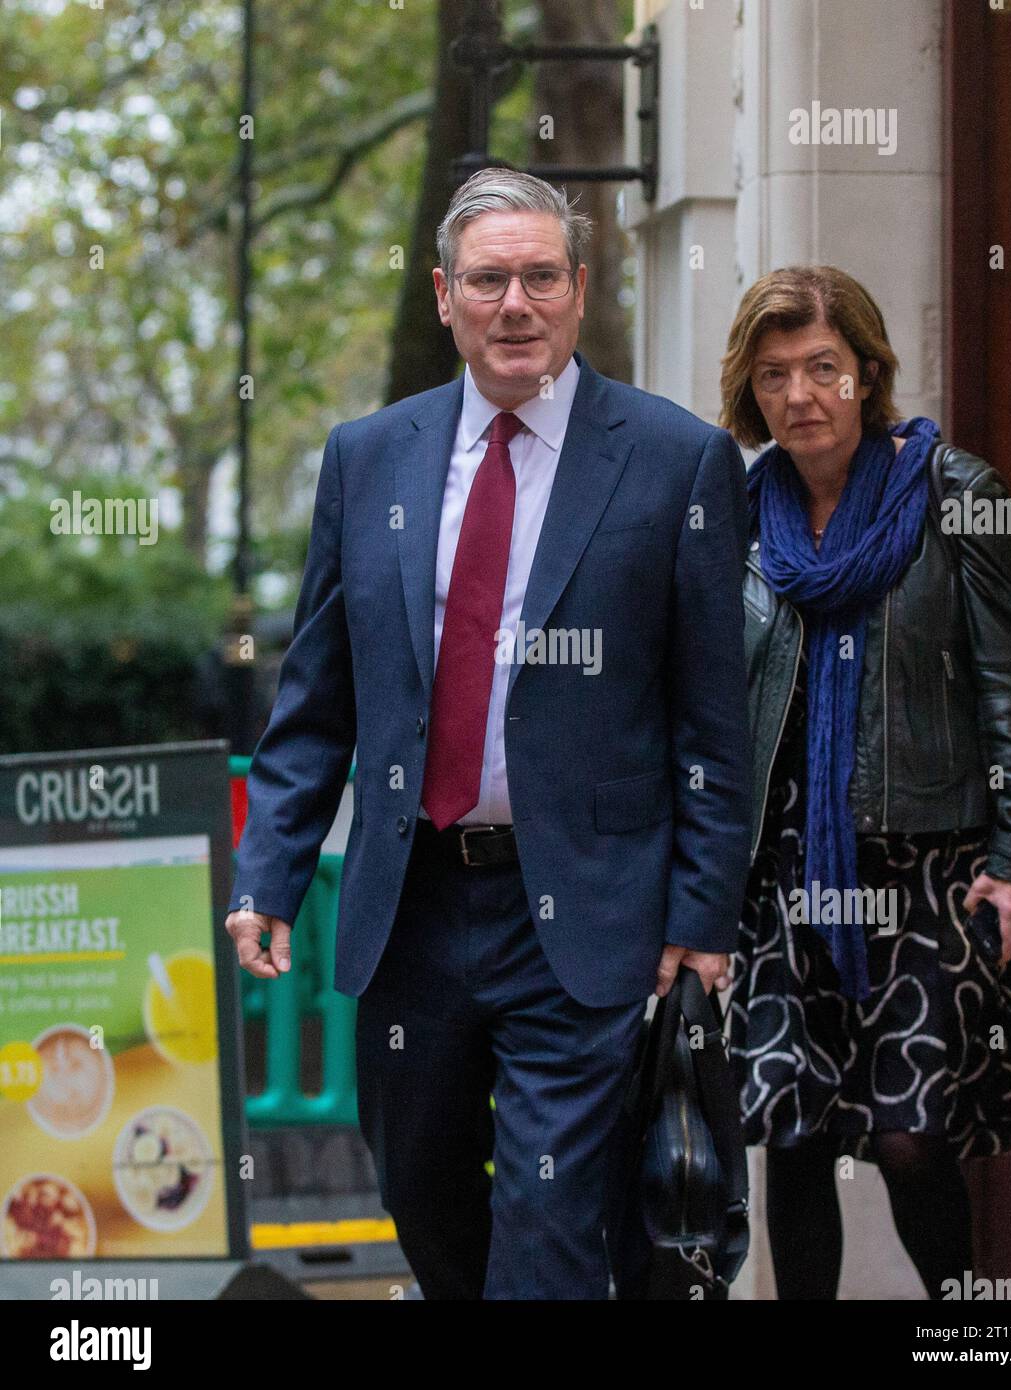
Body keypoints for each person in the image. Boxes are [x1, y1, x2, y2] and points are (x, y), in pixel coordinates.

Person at [224, 168, 754, 1300]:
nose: (515, 303)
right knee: (419, 1191)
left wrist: (700, 917)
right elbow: (319, 695)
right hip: (410, 902)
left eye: (540, 277)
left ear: (576, 289)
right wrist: (267, 869)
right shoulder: (368, 459)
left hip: (584, 908)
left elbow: (713, 717)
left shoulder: (675, 463)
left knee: (548, 1222)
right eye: (488, 280)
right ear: (442, 296)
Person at [718, 265, 1011, 1301]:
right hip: (782, 875)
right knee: (788, 1131)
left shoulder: (958, 496)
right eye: (775, 374)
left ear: (868, 376)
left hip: (929, 867)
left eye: (823, 368)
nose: (800, 397)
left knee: (911, 1135)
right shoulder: (737, 519)